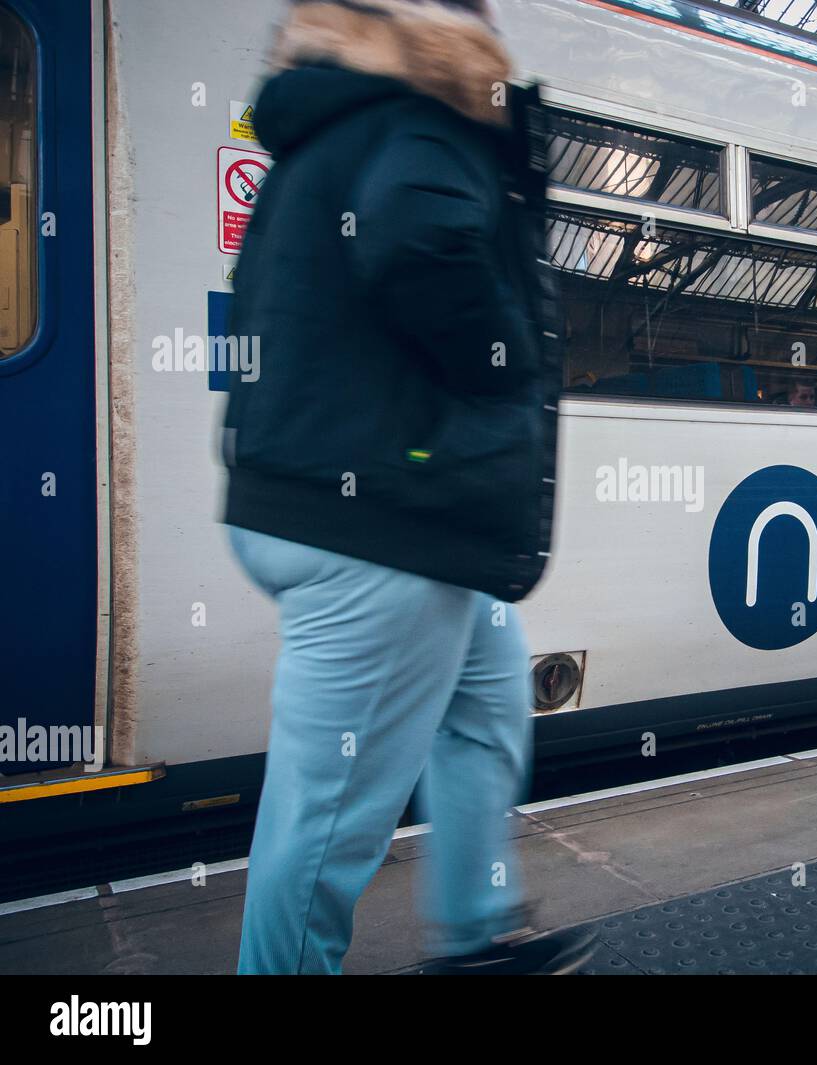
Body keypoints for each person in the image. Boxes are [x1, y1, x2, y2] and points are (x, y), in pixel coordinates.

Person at [220, 0, 591, 975]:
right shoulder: (421, 116)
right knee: (328, 817)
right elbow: (418, 246)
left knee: (485, 700)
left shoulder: (328, 130)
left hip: (362, 509)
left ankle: (475, 932)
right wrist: (511, 360)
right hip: (380, 526)